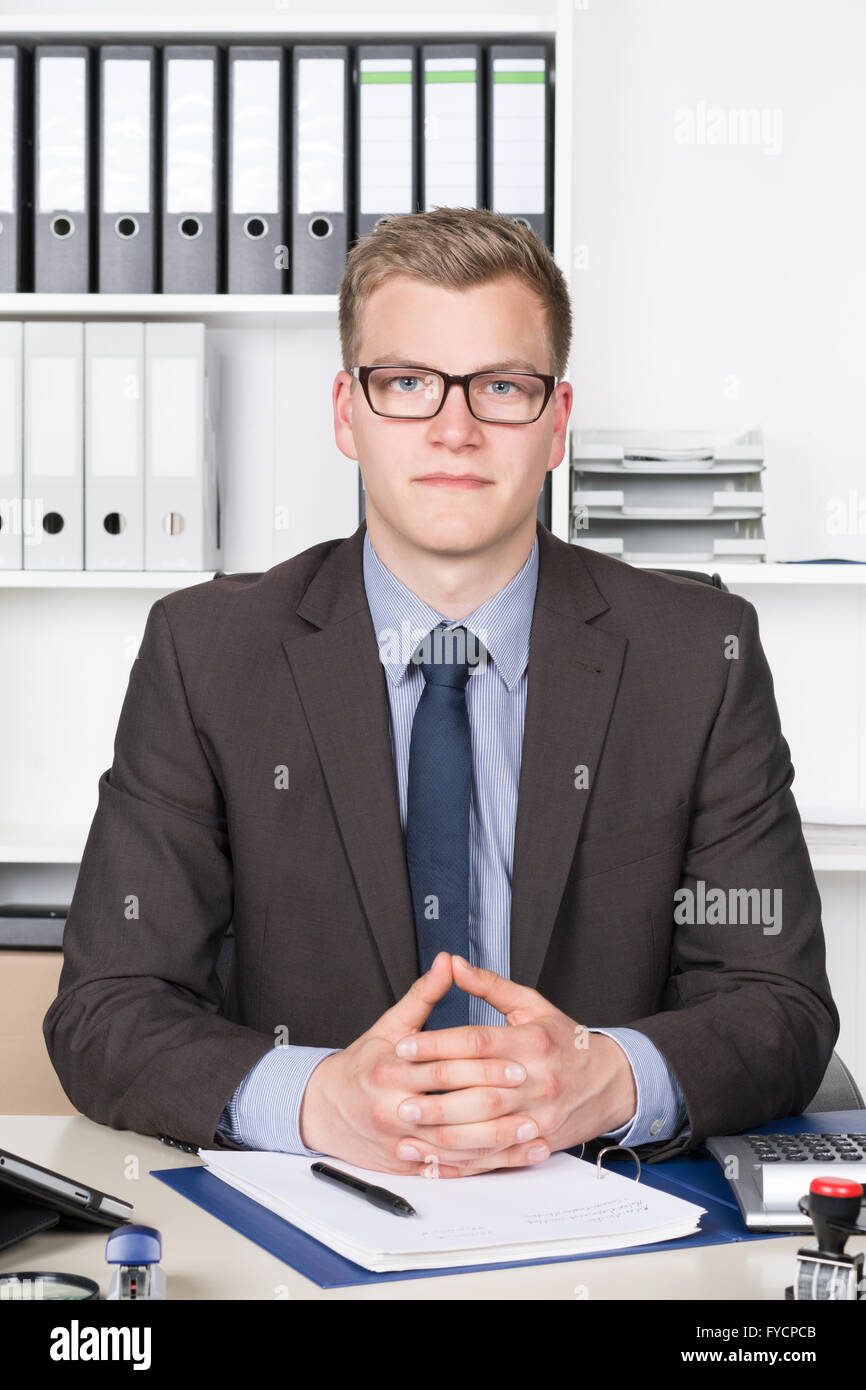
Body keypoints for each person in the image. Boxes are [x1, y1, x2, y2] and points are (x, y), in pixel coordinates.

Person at [44, 207, 839, 1178]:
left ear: (554, 420)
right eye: (408, 383)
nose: (454, 429)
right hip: (313, 1216)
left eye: (501, 385)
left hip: (602, 1211)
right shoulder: (208, 653)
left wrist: (606, 1077)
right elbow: (106, 1007)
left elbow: (778, 1004)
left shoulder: (691, 655)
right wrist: (314, 1096)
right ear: (347, 411)